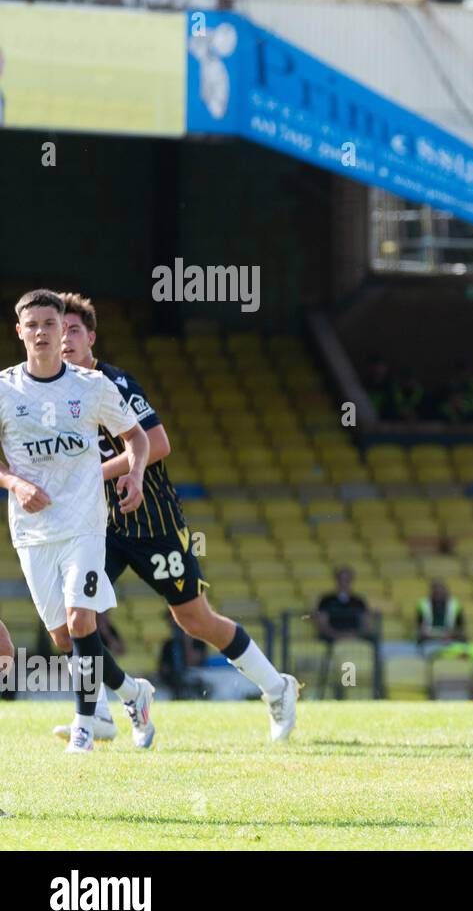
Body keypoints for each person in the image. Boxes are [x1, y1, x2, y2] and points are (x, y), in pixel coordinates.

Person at [52, 293, 299, 743]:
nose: (64, 340)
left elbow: (157, 443)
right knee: (74, 621)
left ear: (91, 337)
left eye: (73, 331)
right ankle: (99, 713)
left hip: (153, 523)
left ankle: (277, 687)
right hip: (100, 527)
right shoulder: (58, 392)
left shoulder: (114, 382)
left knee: (195, 620)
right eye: (58, 331)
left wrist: (91, 474)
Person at [0, 289, 154, 753]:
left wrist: (136, 474)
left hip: (85, 522)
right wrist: (14, 485)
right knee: (65, 637)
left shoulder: (91, 387)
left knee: (81, 620)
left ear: (64, 328)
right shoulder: (4, 389)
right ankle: (133, 693)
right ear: (20, 331)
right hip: (32, 531)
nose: (45, 333)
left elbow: (137, 438)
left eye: (54, 324)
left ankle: (85, 728)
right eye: (35, 325)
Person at [315, 567, 374, 643]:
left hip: (355, 636)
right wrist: (337, 635)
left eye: (347, 580)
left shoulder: (359, 601)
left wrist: (355, 635)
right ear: (336, 580)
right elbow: (322, 624)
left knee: (372, 640)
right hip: (331, 637)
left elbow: (366, 623)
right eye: (341, 579)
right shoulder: (326, 600)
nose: (344, 582)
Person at [416, 580, 464, 644]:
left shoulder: (455, 604)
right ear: (431, 592)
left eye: (441, 591)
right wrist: (425, 634)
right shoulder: (423, 604)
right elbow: (419, 627)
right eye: (436, 592)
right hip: (428, 637)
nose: (439, 594)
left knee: (462, 639)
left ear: (446, 591)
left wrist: (452, 634)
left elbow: (460, 627)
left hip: (450, 637)